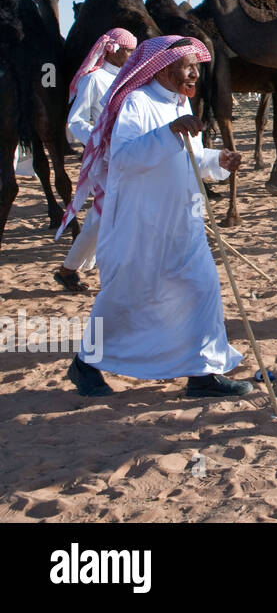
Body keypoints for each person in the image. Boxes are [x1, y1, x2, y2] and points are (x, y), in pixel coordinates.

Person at [61, 36, 251, 399]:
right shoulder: (137, 101)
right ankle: (85, 364)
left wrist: (217, 160)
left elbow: (189, 157)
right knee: (125, 298)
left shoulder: (179, 103)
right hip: (141, 226)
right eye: (187, 66)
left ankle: (202, 372)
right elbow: (125, 159)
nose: (195, 73)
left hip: (183, 222)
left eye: (197, 66)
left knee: (202, 288)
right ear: (163, 68)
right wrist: (169, 132)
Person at [53, 28, 137, 291]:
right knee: (101, 216)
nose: (132, 55)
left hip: (131, 157)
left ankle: (70, 269)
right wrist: (98, 138)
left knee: (115, 216)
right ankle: (70, 270)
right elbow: (75, 120)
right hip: (105, 160)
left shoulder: (132, 79)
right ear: (113, 50)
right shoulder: (94, 80)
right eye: (128, 50)